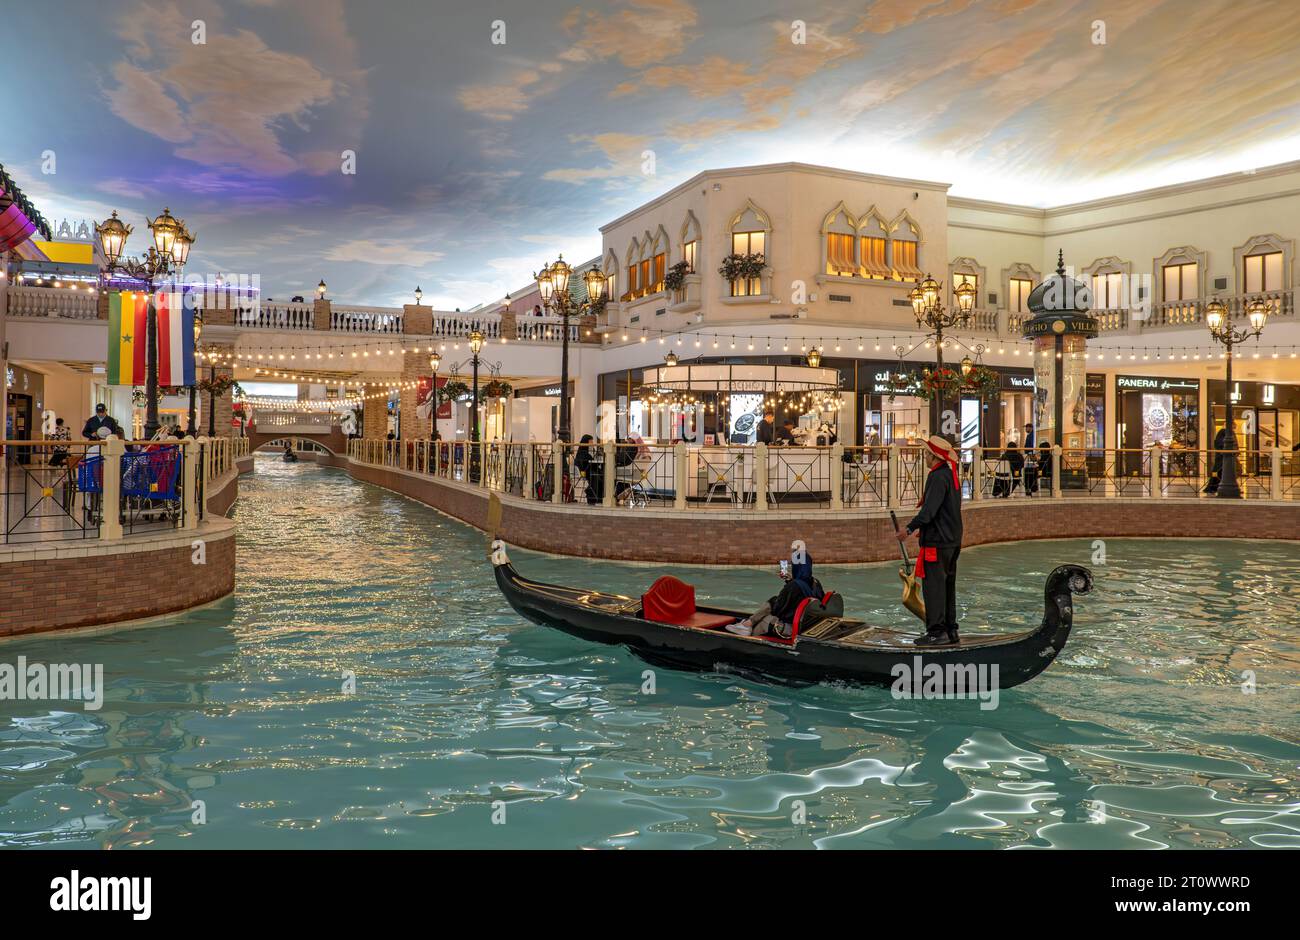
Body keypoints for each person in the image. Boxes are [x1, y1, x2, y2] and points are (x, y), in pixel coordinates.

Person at [898, 435, 963, 646]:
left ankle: (936, 633)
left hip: (937, 542)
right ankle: (951, 631)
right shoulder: (951, 474)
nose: (924, 457)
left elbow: (929, 511)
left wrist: (908, 529)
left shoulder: (936, 477)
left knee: (934, 588)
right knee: (947, 586)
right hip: (952, 540)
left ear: (933, 456)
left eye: (926, 453)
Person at [726, 546, 822, 638]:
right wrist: (790, 581)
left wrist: (789, 586)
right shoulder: (815, 583)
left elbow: (778, 610)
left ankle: (747, 626)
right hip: (808, 625)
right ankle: (747, 624)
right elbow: (802, 593)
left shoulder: (794, 586)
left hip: (789, 629)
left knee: (769, 611)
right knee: (770, 607)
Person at [573, 434, 603, 504]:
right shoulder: (583, 453)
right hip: (586, 473)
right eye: (591, 441)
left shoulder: (583, 451)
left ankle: (596, 496)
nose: (592, 443)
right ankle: (596, 497)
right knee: (599, 477)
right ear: (586, 442)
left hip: (589, 471)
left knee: (601, 475)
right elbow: (588, 463)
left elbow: (591, 462)